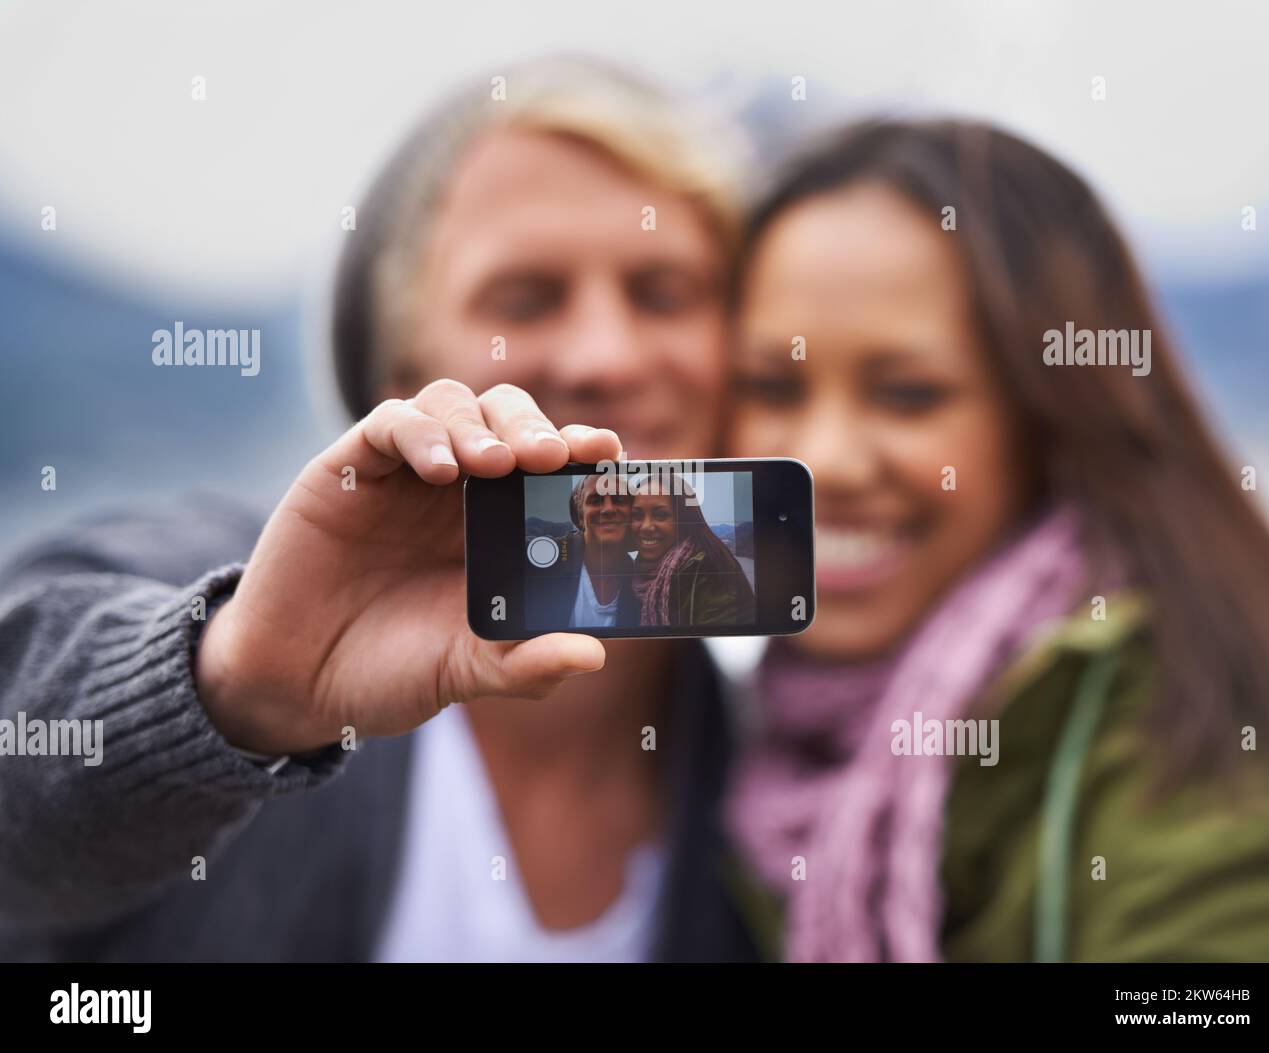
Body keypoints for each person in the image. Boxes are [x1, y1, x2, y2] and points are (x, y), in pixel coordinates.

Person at [0, 56, 760, 962]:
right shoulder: (243, 595)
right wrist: (234, 688)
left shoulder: (788, 767)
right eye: (525, 297)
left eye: (664, 294)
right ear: (399, 378)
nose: (604, 353)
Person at [724, 119, 1269, 962]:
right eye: (772, 386)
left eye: (908, 394)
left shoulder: (1190, 749)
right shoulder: (742, 732)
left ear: (1050, 417)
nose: (824, 461)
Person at [629, 473, 755, 627]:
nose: (646, 526)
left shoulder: (708, 572)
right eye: (637, 515)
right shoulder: (638, 573)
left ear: (684, 518)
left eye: (661, 515)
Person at [525, 474, 641, 630]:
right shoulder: (550, 556)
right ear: (580, 515)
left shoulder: (640, 583)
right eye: (595, 500)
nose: (608, 509)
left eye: (618, 500)